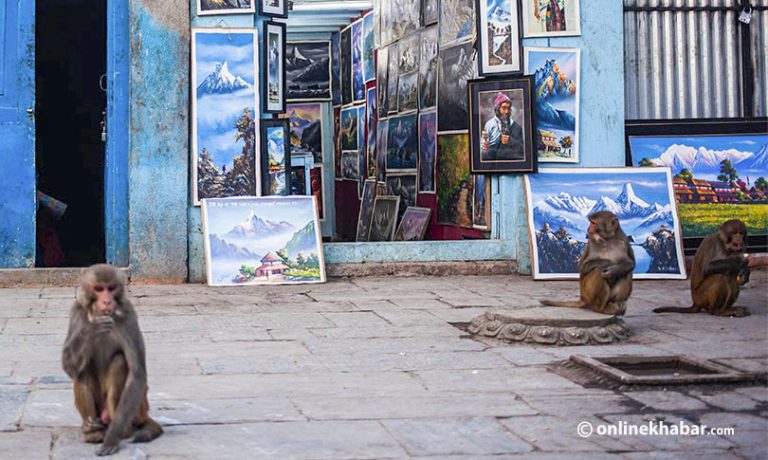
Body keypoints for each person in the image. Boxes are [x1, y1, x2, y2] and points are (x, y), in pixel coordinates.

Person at [480, 92, 524, 161]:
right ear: (497, 109)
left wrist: (510, 141)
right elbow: (483, 148)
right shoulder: (489, 124)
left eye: (508, 108)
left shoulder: (517, 128)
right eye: (504, 108)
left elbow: (523, 149)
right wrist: (484, 146)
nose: (506, 111)